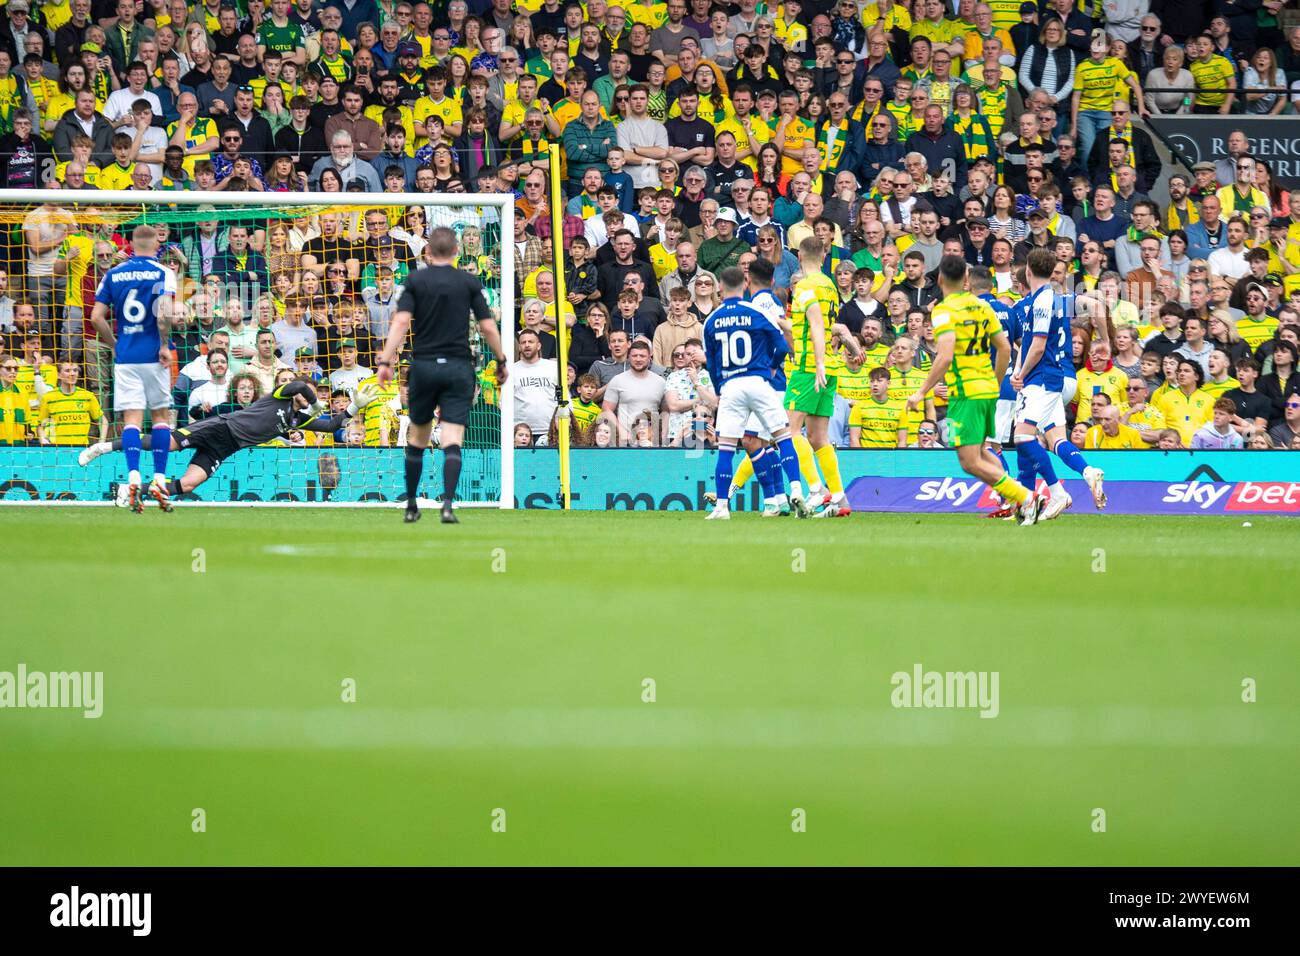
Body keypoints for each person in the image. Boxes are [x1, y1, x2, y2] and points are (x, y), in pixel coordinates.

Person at [374, 227, 507, 524]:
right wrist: (500, 359)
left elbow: (400, 322)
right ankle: (447, 504)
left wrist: (386, 361)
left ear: (429, 252)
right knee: (452, 437)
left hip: (424, 366)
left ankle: (411, 504)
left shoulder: (416, 280)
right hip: (459, 367)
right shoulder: (469, 281)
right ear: (457, 251)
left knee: (419, 436)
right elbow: (487, 326)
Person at [81, 378, 384, 496]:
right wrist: (316, 402)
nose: (306, 401)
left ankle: (129, 491)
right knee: (167, 445)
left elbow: (331, 427)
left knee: (187, 484)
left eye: (310, 400)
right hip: (219, 427)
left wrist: (354, 407)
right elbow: (297, 385)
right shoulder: (280, 396)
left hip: (227, 447)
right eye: (307, 399)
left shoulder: (298, 419)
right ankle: (104, 446)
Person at [906, 255, 1035, 519]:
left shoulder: (943, 310)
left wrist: (922, 391)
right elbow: (1004, 348)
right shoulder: (982, 307)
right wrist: (996, 382)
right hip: (987, 389)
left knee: (968, 461)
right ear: (966, 280)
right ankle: (1017, 498)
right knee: (980, 452)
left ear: (940, 279)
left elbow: (945, 355)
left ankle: (1027, 497)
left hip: (965, 392)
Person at [703, 266, 809, 520]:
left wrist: (720, 390)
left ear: (720, 287)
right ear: (745, 283)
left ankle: (721, 507)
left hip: (731, 386)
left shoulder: (711, 320)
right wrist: (771, 368)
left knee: (727, 448)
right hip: (759, 382)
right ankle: (796, 489)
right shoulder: (757, 312)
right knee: (783, 438)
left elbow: (712, 363)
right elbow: (783, 345)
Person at [86, 224, 179, 513]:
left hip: (126, 356)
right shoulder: (164, 272)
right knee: (161, 417)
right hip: (153, 354)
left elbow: (96, 317)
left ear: (130, 244)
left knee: (131, 421)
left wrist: (115, 344)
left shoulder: (113, 274)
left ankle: (133, 476)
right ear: (156, 246)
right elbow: (163, 313)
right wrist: (164, 344)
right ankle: (160, 479)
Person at [784, 236, 863, 518]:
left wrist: (816, 361)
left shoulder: (805, 286)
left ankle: (816, 488)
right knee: (818, 437)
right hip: (831, 368)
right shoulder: (830, 285)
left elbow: (817, 322)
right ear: (824, 254)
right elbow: (833, 325)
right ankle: (840, 497)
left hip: (809, 366)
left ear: (799, 255)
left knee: (789, 431)